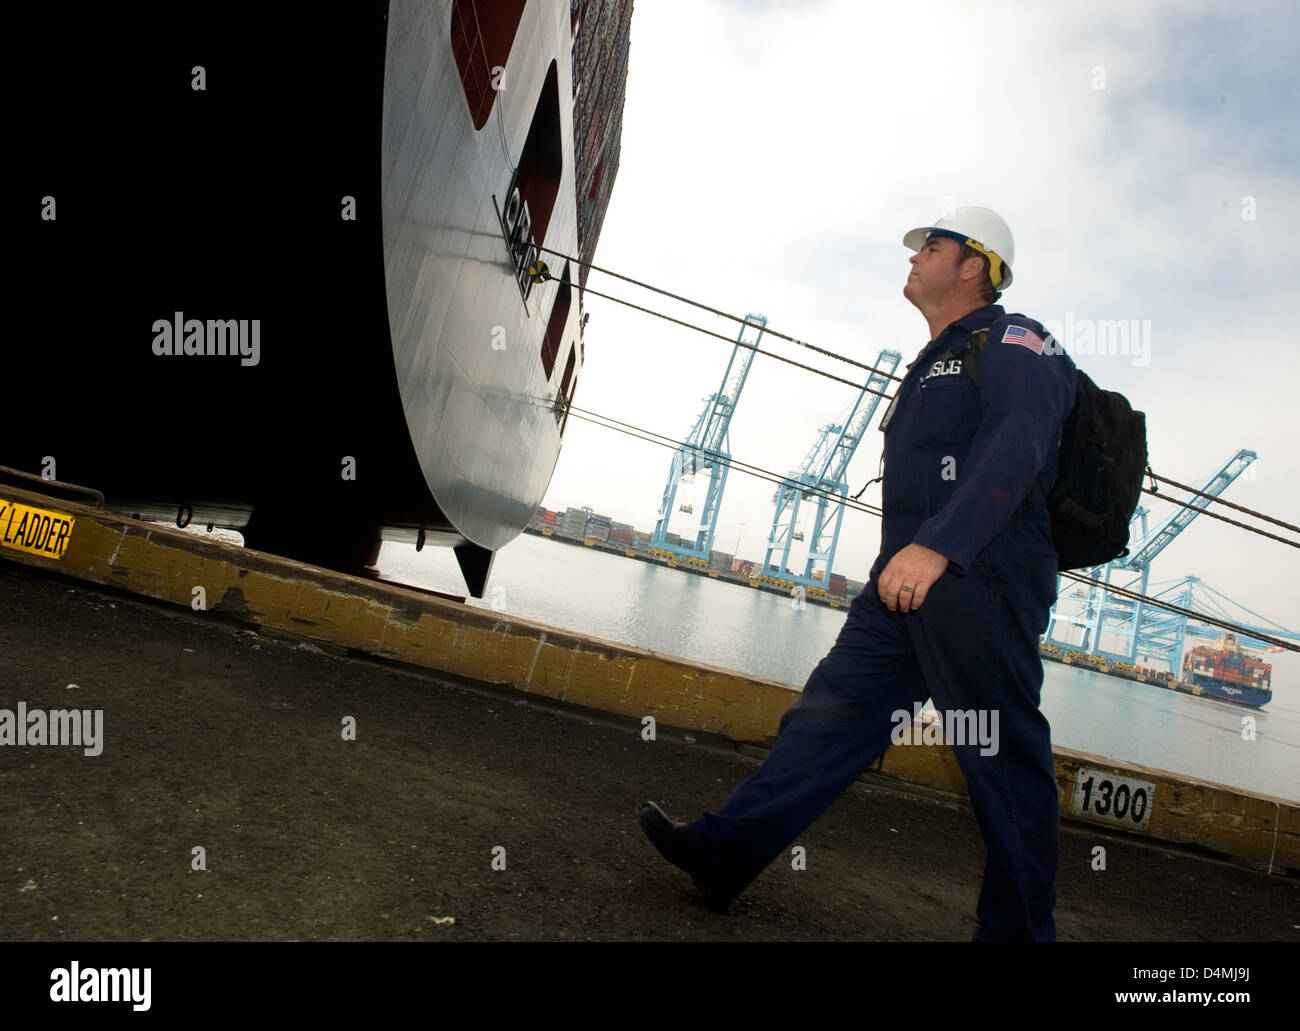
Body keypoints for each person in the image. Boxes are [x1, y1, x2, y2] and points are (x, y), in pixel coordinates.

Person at [636, 206, 1077, 941]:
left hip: (978, 585)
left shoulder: (1018, 339)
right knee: (825, 721)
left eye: (931, 246)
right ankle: (724, 852)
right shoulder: (936, 355)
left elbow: (1019, 443)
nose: (914, 257)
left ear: (975, 267)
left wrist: (941, 545)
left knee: (1001, 764)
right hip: (902, 590)